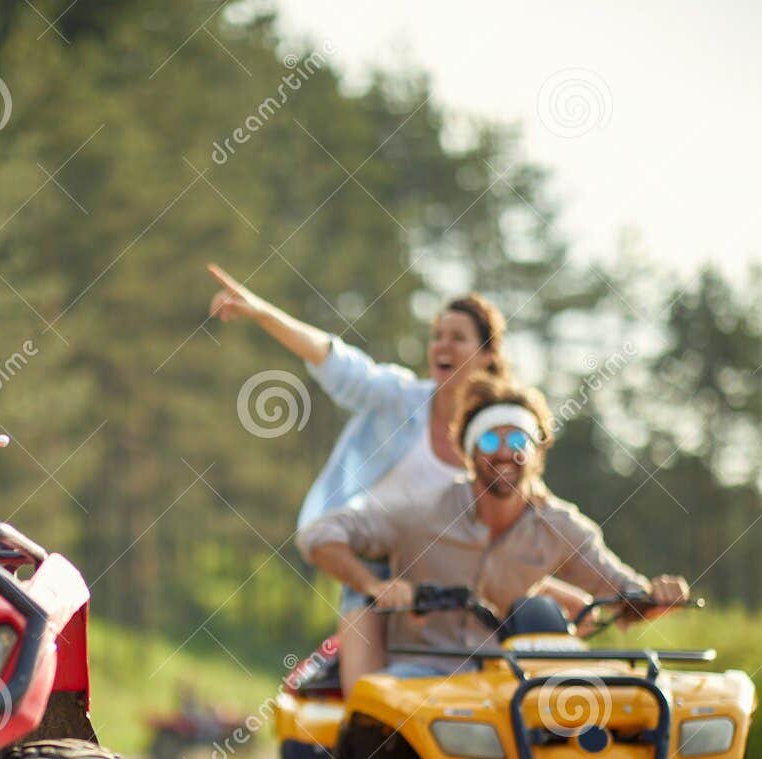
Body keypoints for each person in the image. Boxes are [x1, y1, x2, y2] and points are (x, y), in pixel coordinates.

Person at [205, 265, 595, 678]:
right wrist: (261, 311)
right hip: (376, 570)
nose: (442, 346)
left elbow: (522, 528)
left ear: (488, 355)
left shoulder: (500, 441)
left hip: (452, 576)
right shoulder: (398, 399)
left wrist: (566, 593)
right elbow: (333, 360)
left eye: (458, 337)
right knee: (369, 696)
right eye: (437, 336)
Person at [296, 374, 690, 687]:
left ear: (537, 452)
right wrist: (372, 584)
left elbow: (625, 595)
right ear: (469, 452)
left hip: (512, 681)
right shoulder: (421, 512)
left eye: (518, 439)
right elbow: (318, 534)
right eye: (489, 439)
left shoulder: (561, 526)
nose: (504, 452)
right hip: (421, 678)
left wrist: (659, 596)